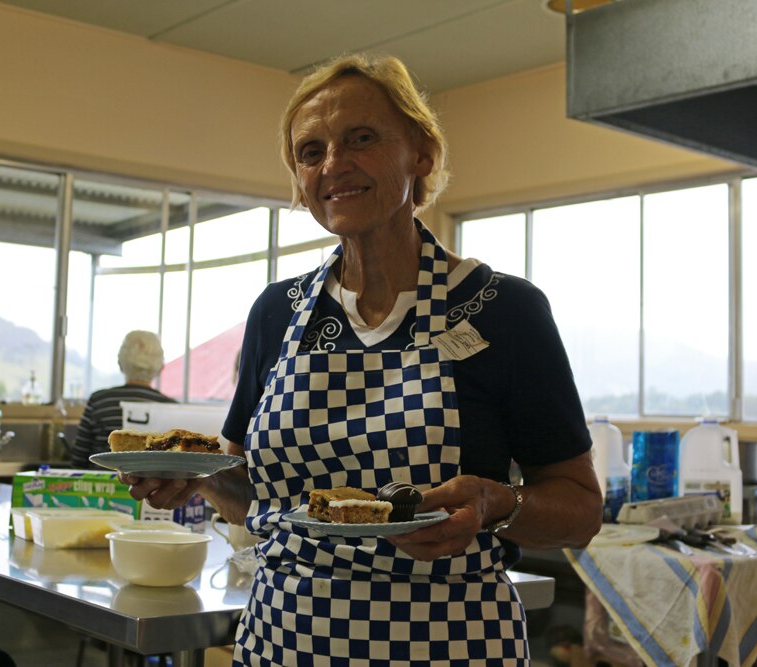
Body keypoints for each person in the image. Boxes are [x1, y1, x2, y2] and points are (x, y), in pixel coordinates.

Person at [124, 53, 602, 666]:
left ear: (421, 154)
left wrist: (496, 504)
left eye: (362, 139)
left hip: (446, 643)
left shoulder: (502, 310)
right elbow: (259, 497)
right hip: (288, 640)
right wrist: (197, 476)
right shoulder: (277, 312)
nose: (333, 165)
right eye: (310, 151)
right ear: (299, 182)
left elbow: (581, 509)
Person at [71, 330, 177, 468]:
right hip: (152, 488)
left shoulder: (99, 401)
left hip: (101, 486)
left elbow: (79, 459)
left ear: (120, 362)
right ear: (160, 367)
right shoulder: (171, 408)